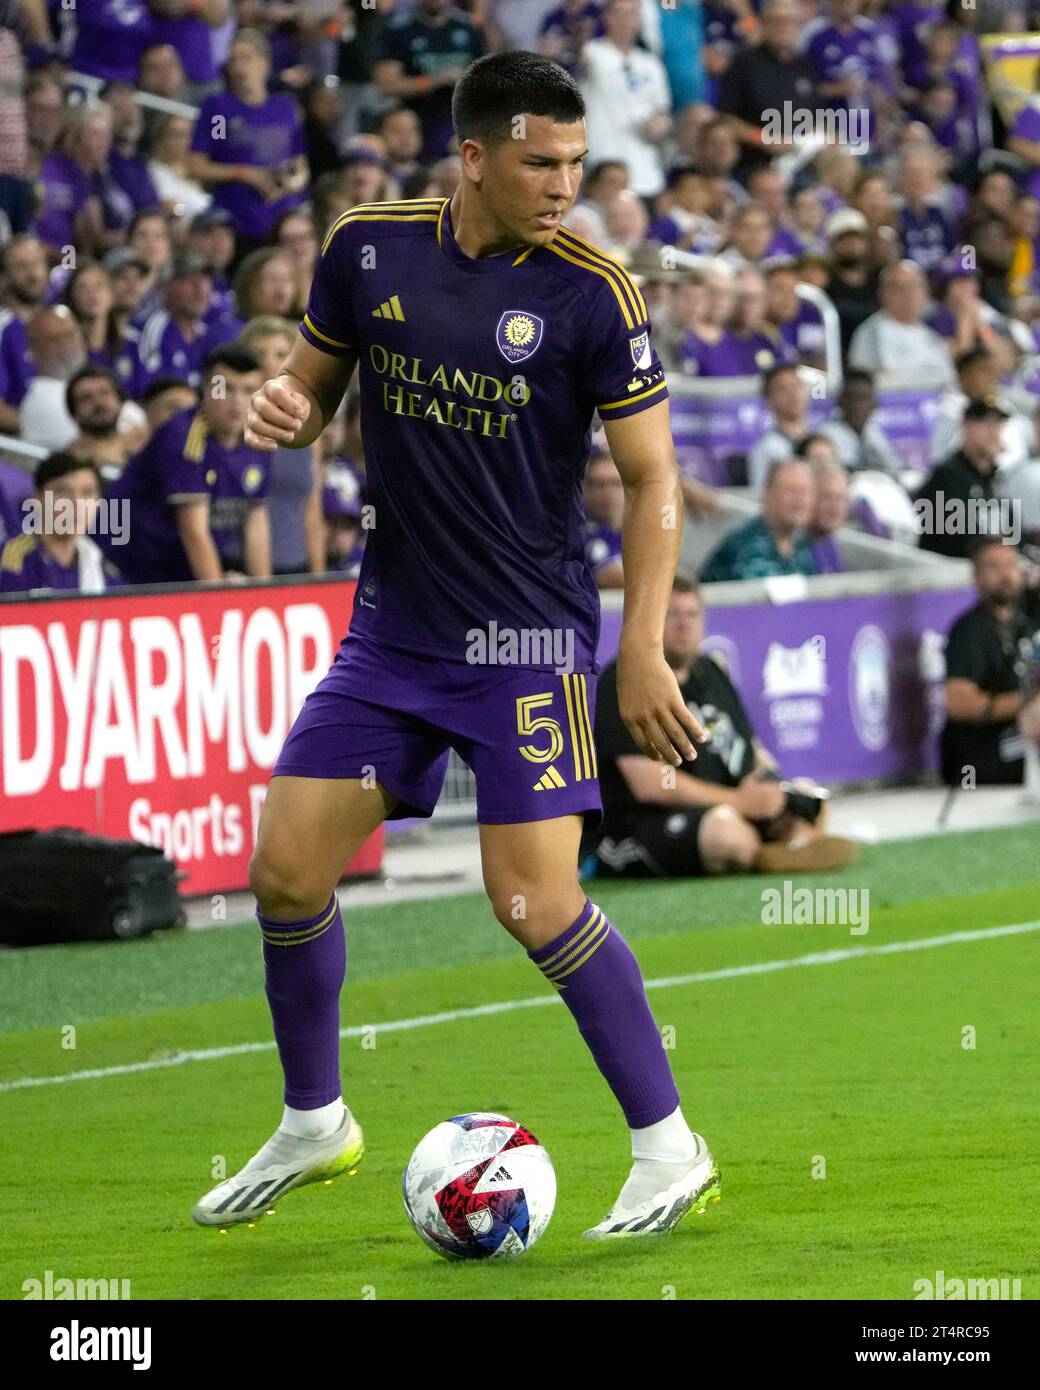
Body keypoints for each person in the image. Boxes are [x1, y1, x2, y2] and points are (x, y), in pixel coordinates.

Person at [192, 51, 721, 1243]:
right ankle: (315, 1119)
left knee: (532, 901)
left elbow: (651, 479)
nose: (564, 185)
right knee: (283, 871)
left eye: (578, 164)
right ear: (471, 156)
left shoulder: (595, 292)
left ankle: (668, 1149)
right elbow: (310, 394)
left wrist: (639, 646)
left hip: (528, 640)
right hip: (393, 634)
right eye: (541, 162)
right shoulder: (365, 247)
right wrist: (283, 405)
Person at [591, 577, 857, 876]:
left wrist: (770, 789)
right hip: (645, 822)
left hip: (730, 803)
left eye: (692, 614)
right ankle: (777, 851)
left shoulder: (712, 671)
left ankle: (779, 844)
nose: (684, 625)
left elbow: (753, 749)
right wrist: (740, 801)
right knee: (726, 832)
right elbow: (648, 785)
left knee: (811, 797)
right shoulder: (626, 680)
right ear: (650, 621)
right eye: (671, 614)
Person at [101, 343, 270, 584]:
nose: (237, 402)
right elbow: (194, 531)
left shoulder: (257, 437)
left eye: (248, 390)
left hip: (177, 566)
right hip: (125, 564)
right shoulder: (182, 437)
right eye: (226, 389)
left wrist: (266, 595)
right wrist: (220, 598)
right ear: (204, 389)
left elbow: (255, 521)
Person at [187, 28, 308, 258]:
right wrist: (246, 174)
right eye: (234, 60)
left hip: (283, 222)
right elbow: (198, 166)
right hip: (236, 222)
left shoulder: (285, 107)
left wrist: (290, 183)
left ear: (264, 63)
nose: (240, 67)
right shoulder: (220, 109)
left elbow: (300, 165)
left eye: (247, 58)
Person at [941, 537, 1040, 786]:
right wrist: (1027, 702)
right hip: (980, 753)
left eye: (1010, 565)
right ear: (976, 577)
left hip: (1023, 736)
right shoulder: (968, 631)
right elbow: (959, 704)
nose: (1006, 575)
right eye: (994, 567)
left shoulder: (1027, 625)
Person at [238, 315, 324, 576]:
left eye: (280, 354)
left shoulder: (309, 427)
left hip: (297, 570)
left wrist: (319, 578)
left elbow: (313, 511)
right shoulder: (234, 423)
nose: (269, 363)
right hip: (240, 572)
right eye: (259, 353)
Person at [578, 0, 673, 199]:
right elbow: (576, 68)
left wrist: (659, 125)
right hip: (604, 165)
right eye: (618, 13)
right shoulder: (592, 53)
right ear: (606, 17)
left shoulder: (651, 64)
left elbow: (663, 111)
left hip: (646, 172)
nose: (625, 20)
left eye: (631, 14)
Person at [0, 452, 119, 595]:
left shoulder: (103, 568)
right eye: (62, 491)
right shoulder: (11, 558)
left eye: (87, 493)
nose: (76, 503)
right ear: (37, 498)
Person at [915, 396, 1007, 559]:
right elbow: (960, 539)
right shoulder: (946, 477)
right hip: (954, 573)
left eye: (998, 424)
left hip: (994, 568)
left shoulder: (995, 478)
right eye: (986, 424)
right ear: (966, 427)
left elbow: (1010, 530)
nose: (994, 432)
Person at [700, 456, 818, 581]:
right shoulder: (747, 546)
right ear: (768, 495)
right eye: (790, 490)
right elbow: (758, 597)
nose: (799, 500)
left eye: (805, 491)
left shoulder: (802, 544)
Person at [848, 259, 956, 385]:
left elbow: (949, 378)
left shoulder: (929, 334)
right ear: (883, 293)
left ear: (926, 292)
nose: (908, 294)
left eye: (914, 286)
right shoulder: (875, 331)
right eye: (898, 287)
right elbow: (891, 382)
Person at [817, 368, 901, 474]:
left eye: (864, 399)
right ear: (840, 402)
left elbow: (894, 467)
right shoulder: (827, 434)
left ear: (875, 404)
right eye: (852, 398)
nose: (858, 406)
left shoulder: (874, 432)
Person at [746, 362, 809, 491]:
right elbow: (761, 496)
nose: (792, 394)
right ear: (768, 400)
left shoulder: (822, 441)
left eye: (796, 386)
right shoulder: (765, 450)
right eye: (782, 389)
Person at [582, 444, 624, 588]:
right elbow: (610, 576)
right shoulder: (579, 531)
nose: (608, 492)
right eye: (600, 484)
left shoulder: (641, 529)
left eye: (616, 483)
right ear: (586, 489)